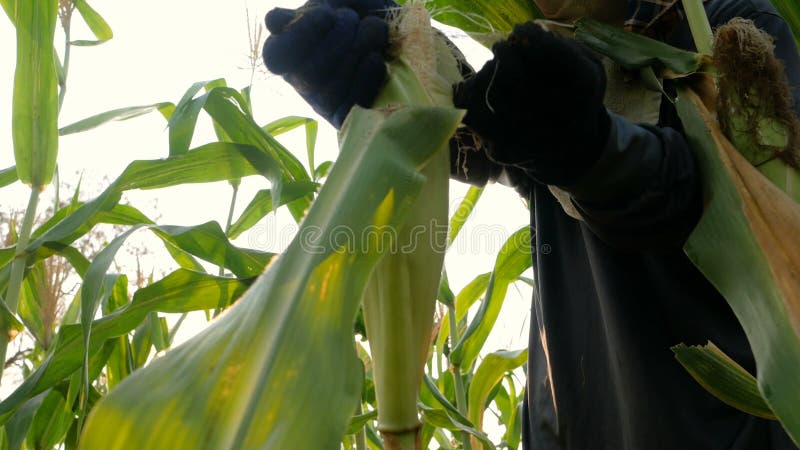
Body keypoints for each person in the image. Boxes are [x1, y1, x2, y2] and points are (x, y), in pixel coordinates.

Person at [262, 0, 800, 448]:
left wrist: (591, 150)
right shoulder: (565, 49)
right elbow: (489, 133)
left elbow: (723, 200)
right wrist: (392, 66)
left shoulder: (734, 31)